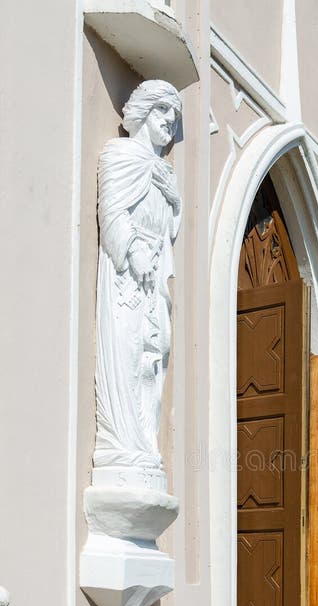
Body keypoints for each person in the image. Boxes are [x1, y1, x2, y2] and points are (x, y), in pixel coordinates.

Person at [93, 79, 182, 472]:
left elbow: (171, 227)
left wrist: (173, 198)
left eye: (175, 116)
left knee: (154, 355)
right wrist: (132, 249)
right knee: (128, 352)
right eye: (164, 112)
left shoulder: (164, 173)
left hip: (154, 276)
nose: (170, 123)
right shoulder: (121, 155)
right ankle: (123, 444)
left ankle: (144, 444)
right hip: (127, 277)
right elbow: (112, 210)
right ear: (145, 112)